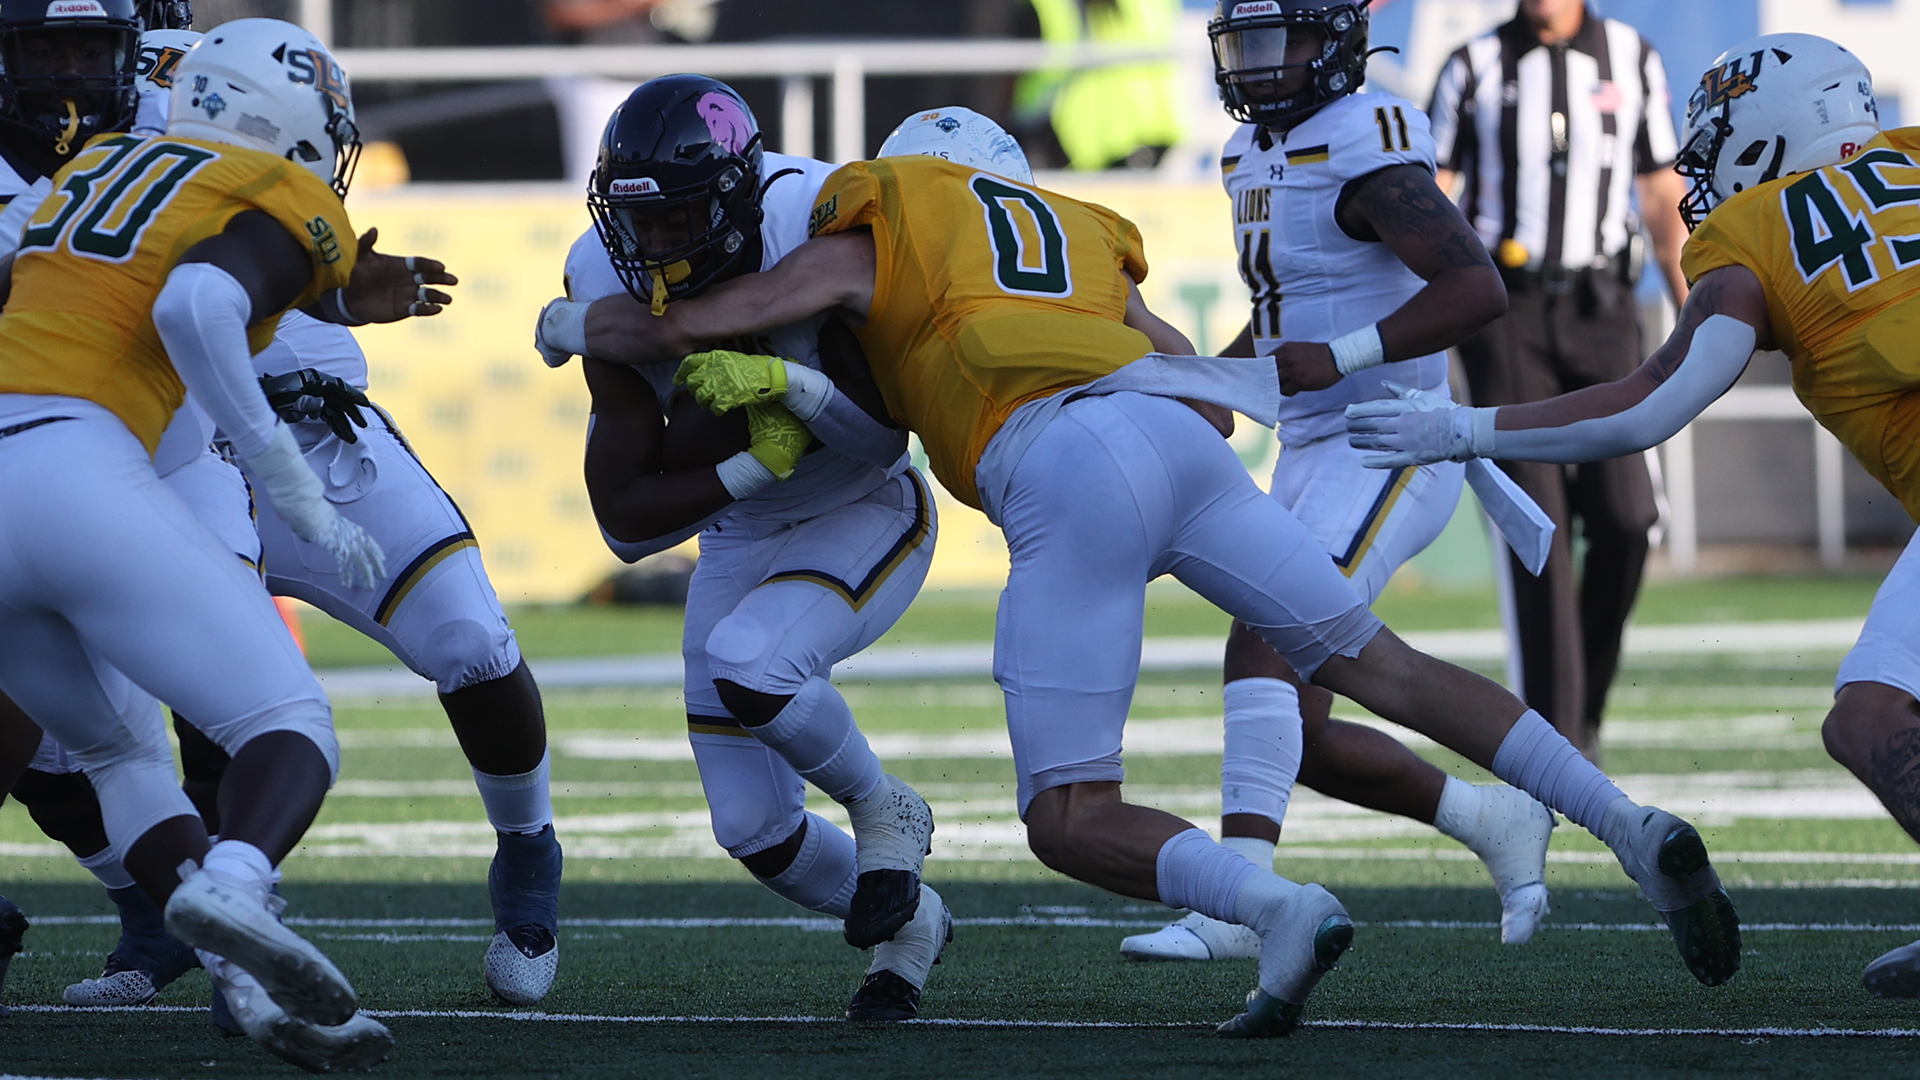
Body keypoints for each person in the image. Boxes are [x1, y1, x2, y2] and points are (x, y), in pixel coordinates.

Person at [539, 106, 1742, 1034]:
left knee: (1068, 818)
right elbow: (1206, 396)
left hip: (1060, 470)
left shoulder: (880, 223)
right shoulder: (1074, 230)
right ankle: (1627, 822)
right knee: (1384, 665)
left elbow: (700, 320)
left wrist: (575, 326)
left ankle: (1278, 910)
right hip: (1174, 437)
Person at [5, 18, 566, 1015]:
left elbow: (207, 270)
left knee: (468, 638)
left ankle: (525, 852)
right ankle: (198, 913)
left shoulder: (126, 138)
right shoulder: (210, 149)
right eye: (52, 49)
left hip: (276, 424)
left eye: (92, 47)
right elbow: (191, 291)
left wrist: (339, 296)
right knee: (211, 715)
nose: (72, 72)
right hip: (154, 448)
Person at [1348, 31, 1920, 1002]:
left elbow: (1649, 405)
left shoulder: (1751, 238)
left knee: (1872, 718)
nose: (1702, 174)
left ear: (1769, 132)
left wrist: (1465, 429)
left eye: (1719, 143)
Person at [1119, 0, 1556, 965]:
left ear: (1334, 45)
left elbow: (1475, 288)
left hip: (1387, 441)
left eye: (1278, 44)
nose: (1257, 66)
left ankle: (1239, 904)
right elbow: (1290, 319)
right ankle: (1493, 820)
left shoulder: (1368, 141)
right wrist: (1208, 378)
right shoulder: (1250, 154)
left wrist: (1343, 354)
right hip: (1313, 446)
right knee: (1305, 735)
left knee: (1265, 640)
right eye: (1243, 46)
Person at [541, 75, 949, 1021]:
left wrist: (793, 390)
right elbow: (624, 525)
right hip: (742, 524)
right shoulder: (602, 273)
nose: (652, 246)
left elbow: (883, 442)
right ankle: (912, 927)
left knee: (749, 662)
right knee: (754, 829)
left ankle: (885, 808)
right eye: (637, 222)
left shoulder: (814, 218)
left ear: (734, 197)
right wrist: (755, 466)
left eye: (675, 220)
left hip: (863, 504)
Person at [1426, 0, 1690, 757]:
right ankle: (1557, 744)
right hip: (1506, 312)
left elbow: (1660, 195)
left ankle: (1585, 709)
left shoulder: (1632, 57)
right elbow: (1430, 198)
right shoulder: (1473, 66)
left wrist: (1693, 308)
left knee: (1628, 517)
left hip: (1604, 305)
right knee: (1535, 528)